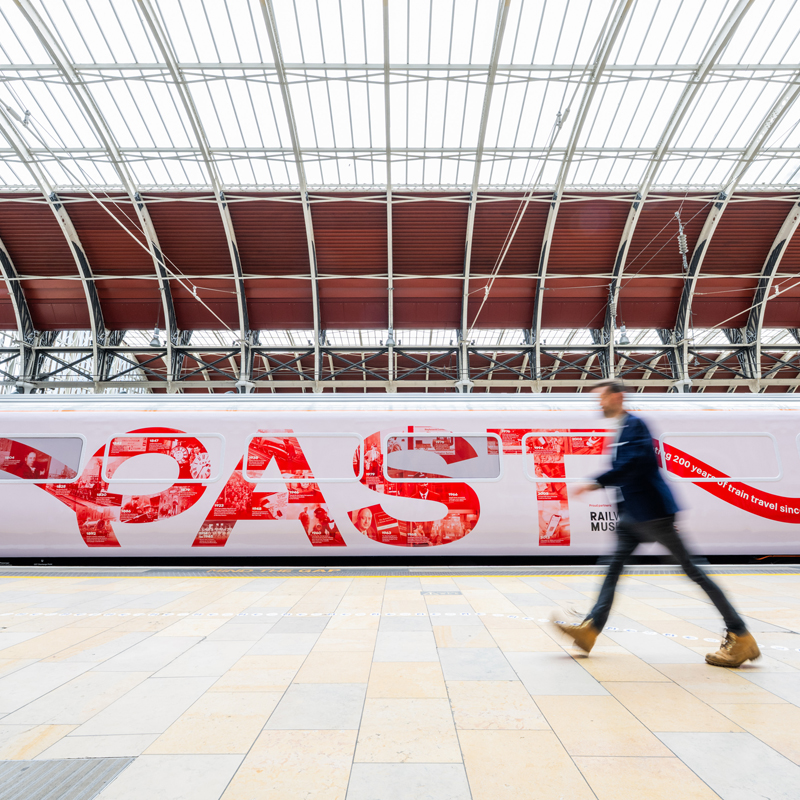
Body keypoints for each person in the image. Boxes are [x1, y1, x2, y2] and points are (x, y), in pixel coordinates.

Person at [552, 379, 759, 668]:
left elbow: (634, 465)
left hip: (653, 515)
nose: (599, 403)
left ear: (618, 397)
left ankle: (740, 635)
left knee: (692, 570)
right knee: (613, 568)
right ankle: (590, 629)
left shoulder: (635, 425)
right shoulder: (623, 428)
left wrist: (595, 482)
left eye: (602, 397)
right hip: (633, 516)